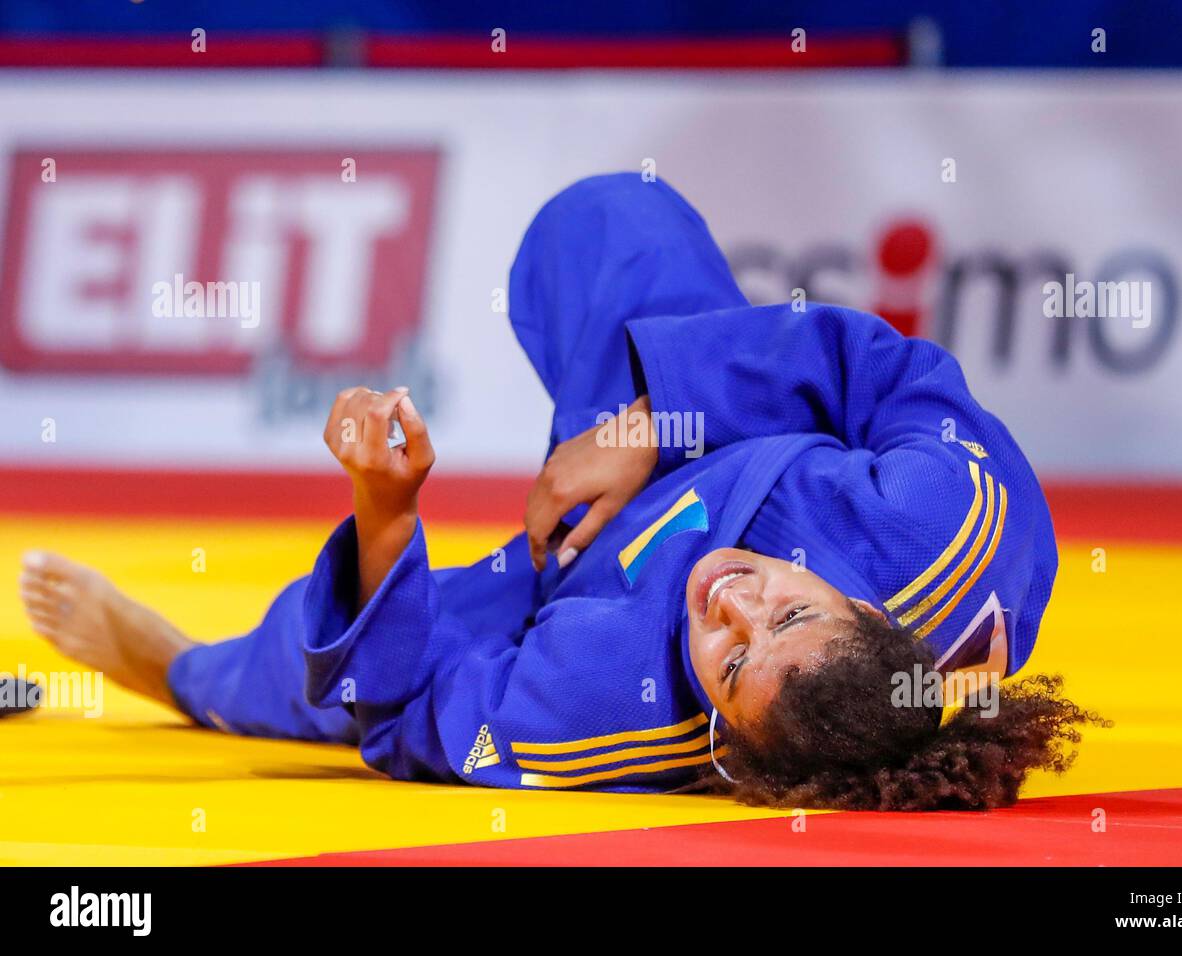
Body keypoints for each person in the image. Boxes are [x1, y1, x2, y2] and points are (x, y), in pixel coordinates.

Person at [18, 173, 1100, 810]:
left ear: (728, 748)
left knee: (329, 692)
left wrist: (383, 507)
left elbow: (408, 715)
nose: (729, 599)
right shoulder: (948, 527)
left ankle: (177, 665)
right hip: (725, 420)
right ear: (870, 607)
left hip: (574, 586)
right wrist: (653, 419)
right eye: (790, 608)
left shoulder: (606, 715)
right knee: (610, 217)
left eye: (731, 663)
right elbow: (883, 371)